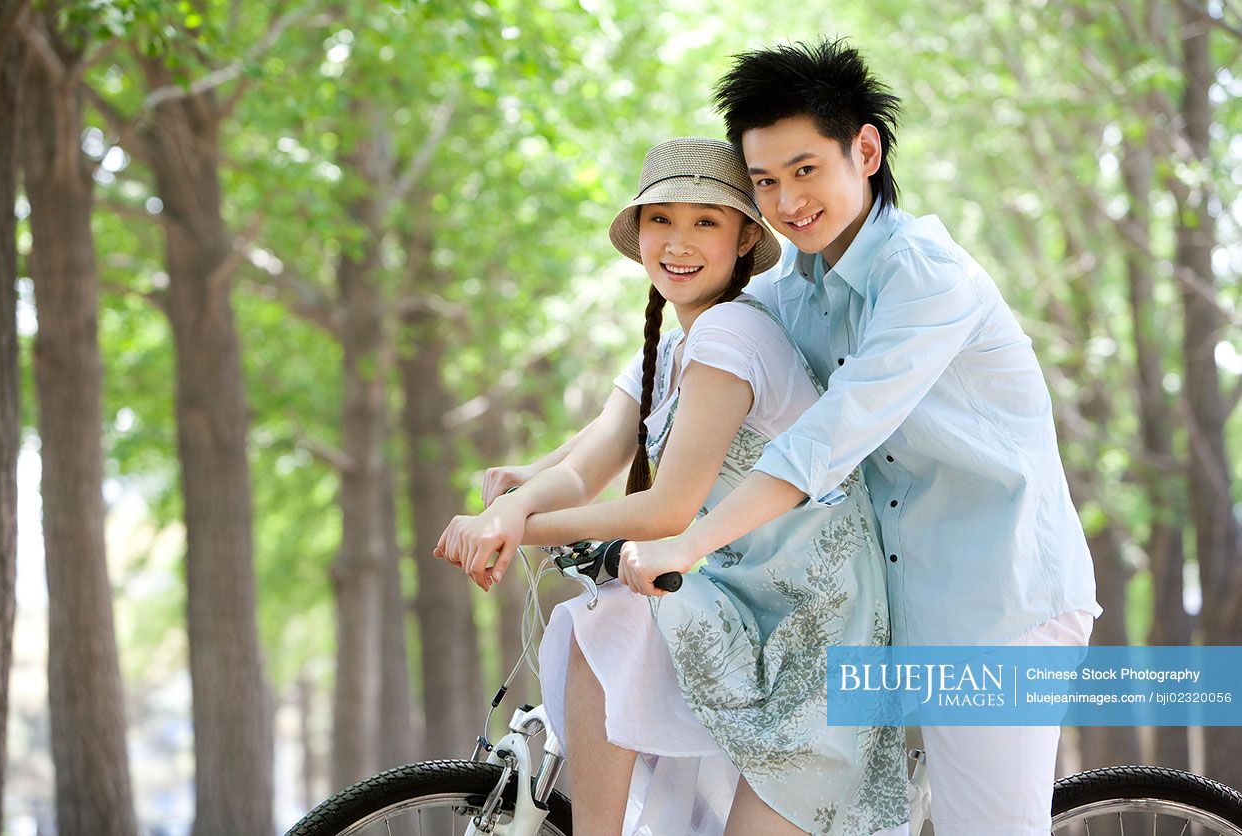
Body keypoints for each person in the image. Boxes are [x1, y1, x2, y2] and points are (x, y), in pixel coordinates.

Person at [587, 40, 1099, 836]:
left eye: (804, 170)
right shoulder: (789, 292)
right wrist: (545, 483)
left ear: (864, 151)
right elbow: (698, 370)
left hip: (994, 608)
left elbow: (826, 440)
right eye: (764, 181)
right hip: (874, 618)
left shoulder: (926, 277)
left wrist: (685, 543)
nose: (787, 201)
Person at [435, 137, 910, 836]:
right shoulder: (667, 347)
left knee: (613, 616)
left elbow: (668, 510)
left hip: (812, 642)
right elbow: (584, 465)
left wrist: (516, 528)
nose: (678, 242)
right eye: (660, 219)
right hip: (747, 613)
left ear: (744, 238)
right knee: (609, 616)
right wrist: (514, 501)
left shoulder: (731, 335)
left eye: (705, 222)